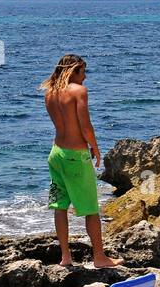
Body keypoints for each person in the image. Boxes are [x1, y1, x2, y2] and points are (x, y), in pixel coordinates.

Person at [40, 54, 118, 268]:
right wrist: (95, 148)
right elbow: (85, 126)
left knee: (60, 205)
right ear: (73, 70)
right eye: (82, 71)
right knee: (91, 208)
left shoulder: (50, 93)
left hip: (56, 154)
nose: (84, 77)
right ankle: (100, 257)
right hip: (76, 156)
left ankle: (65, 257)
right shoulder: (78, 91)